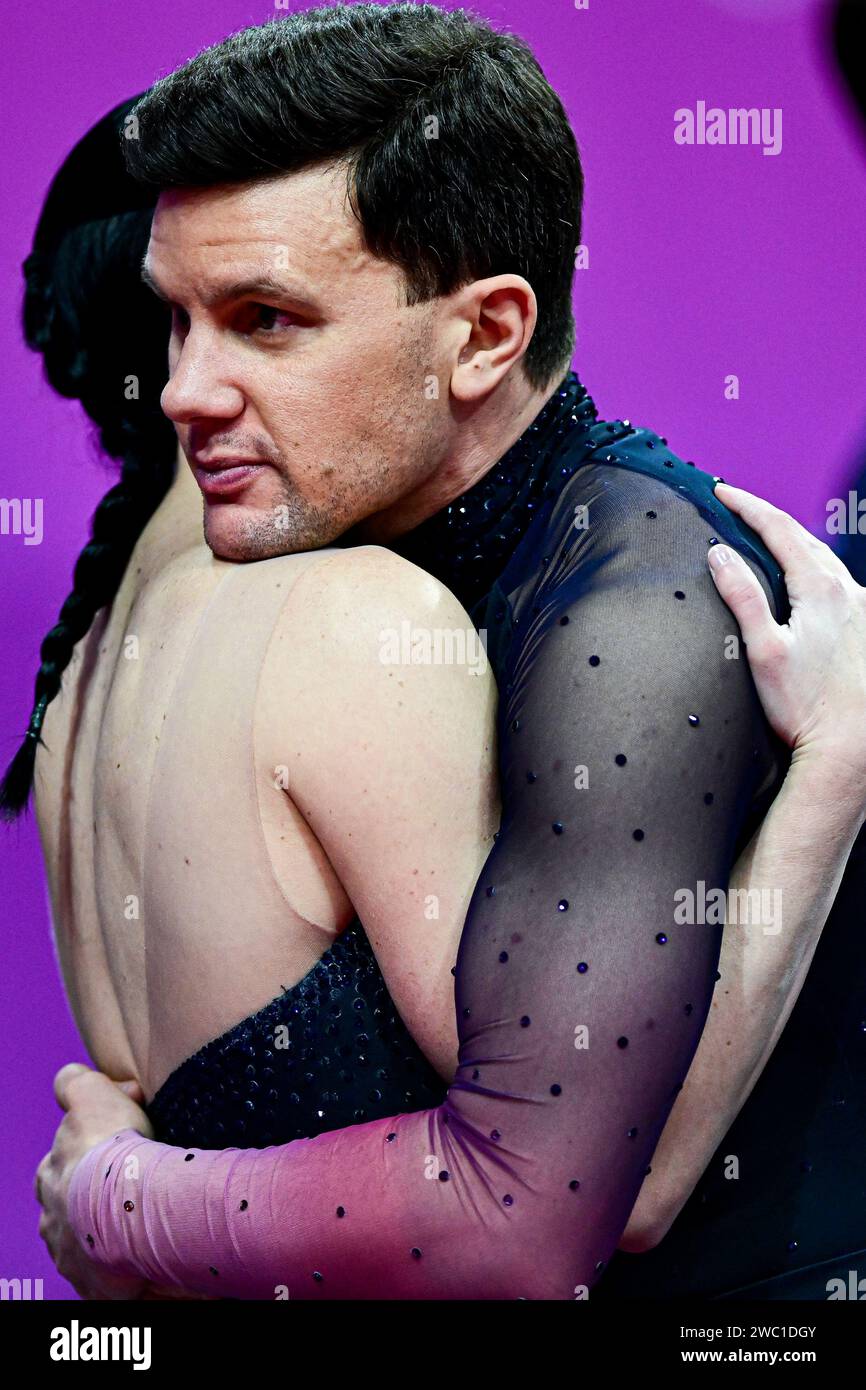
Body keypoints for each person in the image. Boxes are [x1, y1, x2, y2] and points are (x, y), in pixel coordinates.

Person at [17, 7, 866, 1299]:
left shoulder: (634, 609)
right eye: (176, 320)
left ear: (484, 335)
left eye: (263, 319)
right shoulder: (317, 542)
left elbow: (542, 1214)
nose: (183, 387)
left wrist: (122, 1197)